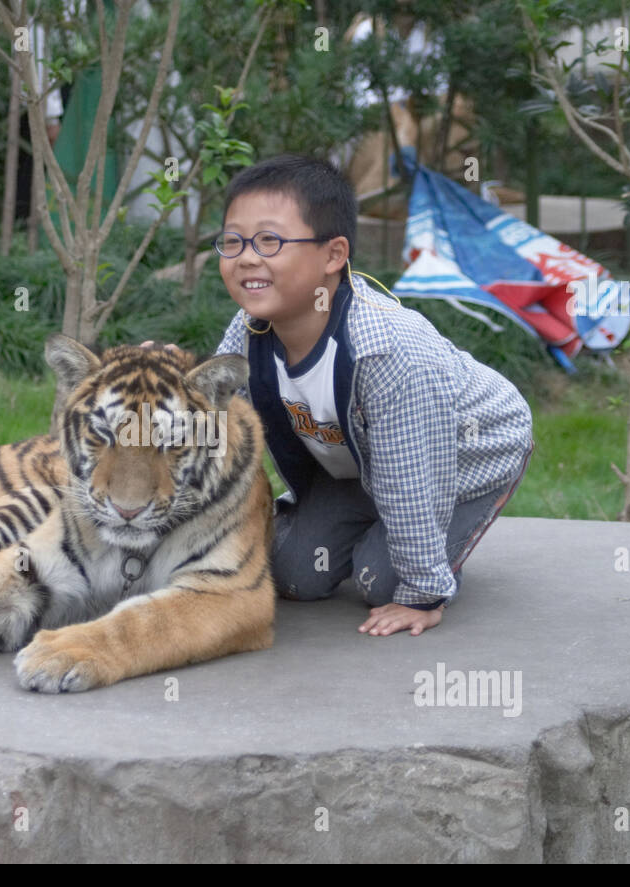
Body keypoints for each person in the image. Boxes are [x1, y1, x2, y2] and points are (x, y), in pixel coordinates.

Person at [203, 153, 534, 638]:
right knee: (296, 575)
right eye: (233, 242)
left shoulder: (384, 352)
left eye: (270, 240)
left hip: (464, 453)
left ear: (333, 255)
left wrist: (423, 594)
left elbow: (412, 474)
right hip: (361, 462)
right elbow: (214, 419)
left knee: (383, 582)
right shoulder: (251, 328)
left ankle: (428, 561)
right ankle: (370, 521)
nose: (247, 257)